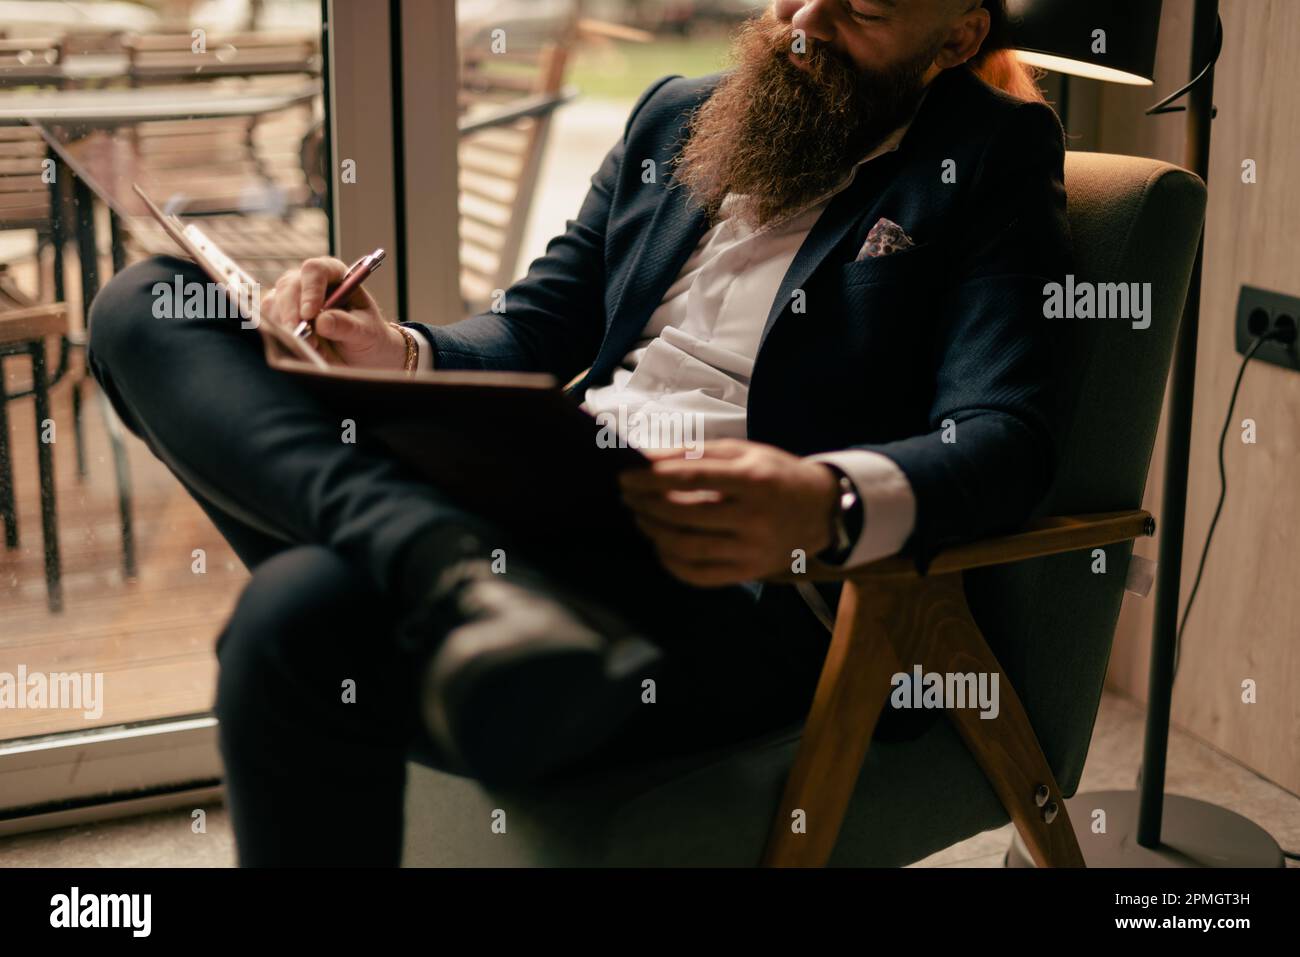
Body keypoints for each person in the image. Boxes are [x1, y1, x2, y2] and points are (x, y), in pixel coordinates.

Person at [86, 0, 1071, 866]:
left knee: (303, 610)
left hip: (716, 576)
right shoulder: (679, 114)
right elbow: (529, 329)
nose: (805, 20)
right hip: (543, 498)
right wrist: (393, 351)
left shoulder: (990, 156)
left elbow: (1001, 431)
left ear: (956, 37)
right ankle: (442, 559)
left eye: (864, 7)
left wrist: (826, 501)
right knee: (147, 306)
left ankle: (431, 560)